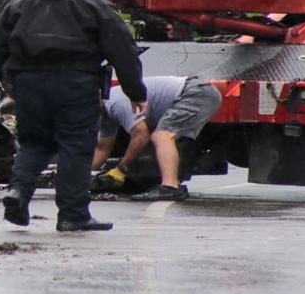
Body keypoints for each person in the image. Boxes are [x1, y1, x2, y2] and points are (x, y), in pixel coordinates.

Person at [0, 0, 147, 232]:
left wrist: (9, 84)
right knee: (76, 145)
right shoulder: (97, 5)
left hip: (28, 82)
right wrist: (135, 91)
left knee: (34, 142)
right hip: (76, 83)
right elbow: (123, 51)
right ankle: (73, 215)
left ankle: (18, 192)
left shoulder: (19, 2)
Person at [91, 76, 223, 201]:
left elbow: (141, 136)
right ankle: (174, 184)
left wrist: (121, 168)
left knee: (162, 136)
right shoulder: (105, 114)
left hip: (196, 93)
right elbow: (102, 149)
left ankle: (170, 187)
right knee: (160, 138)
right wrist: (79, 178)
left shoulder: (115, 103)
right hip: (196, 92)